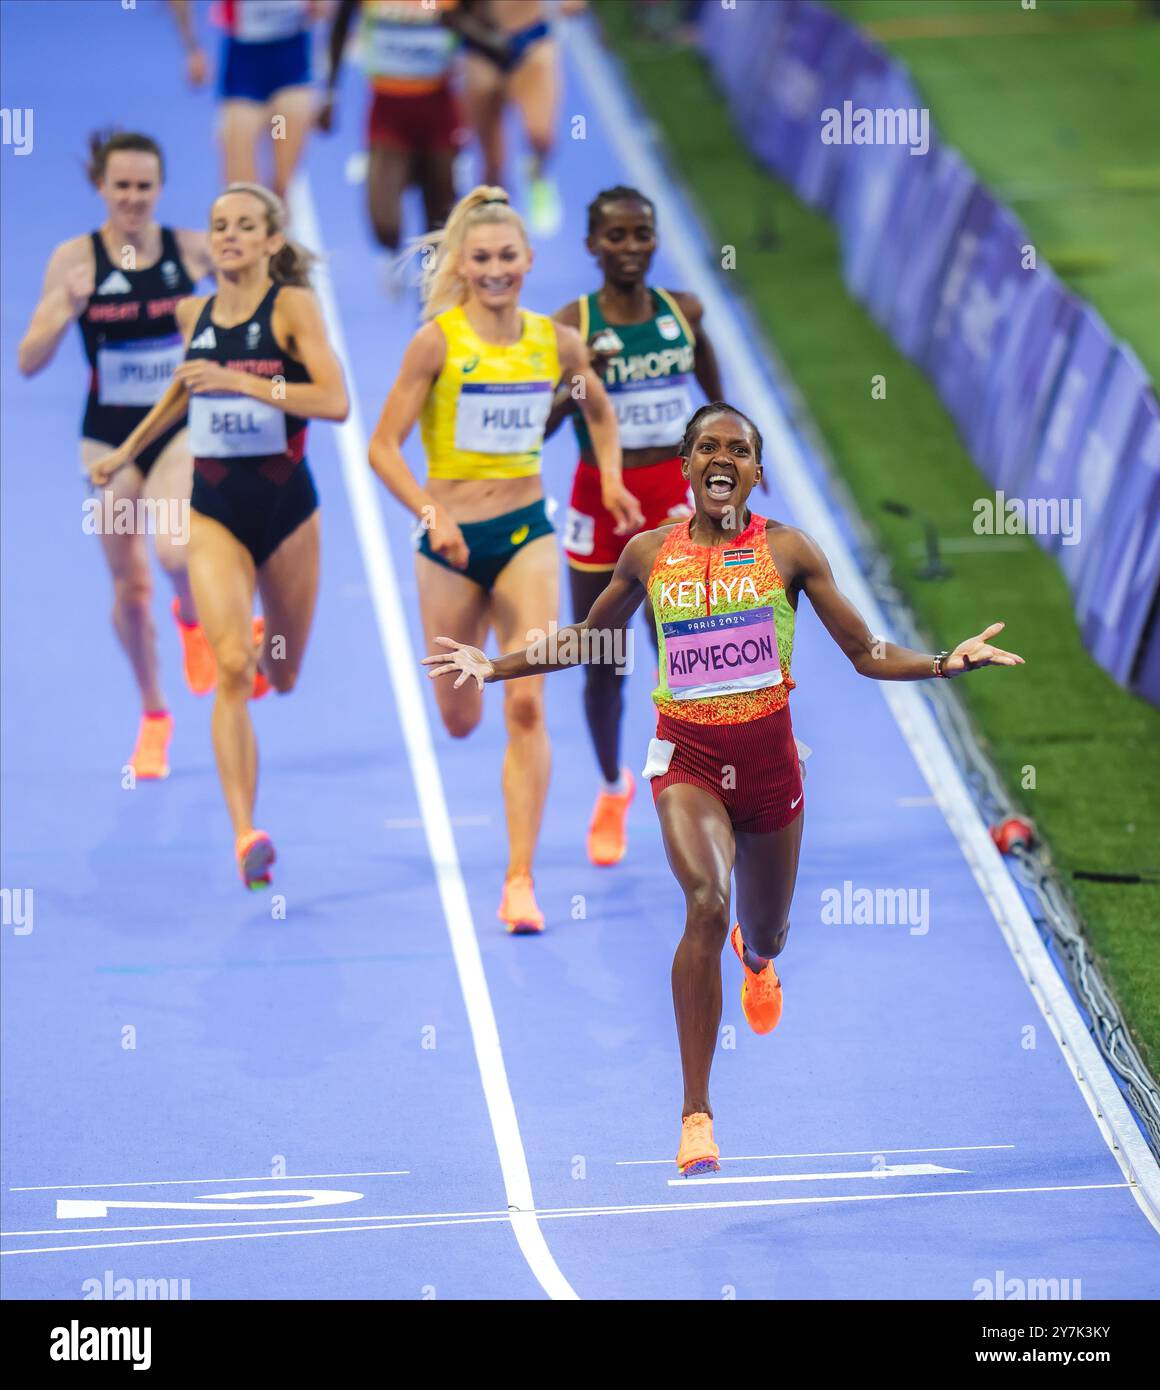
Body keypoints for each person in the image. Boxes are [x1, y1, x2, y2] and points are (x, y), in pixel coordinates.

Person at [423, 402, 1025, 1172]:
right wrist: (494, 664)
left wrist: (945, 661)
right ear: (684, 466)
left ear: (755, 471)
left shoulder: (789, 550)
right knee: (705, 902)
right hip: (688, 760)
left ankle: (759, 956)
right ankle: (697, 1113)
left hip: (772, 767)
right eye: (707, 445)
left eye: (738, 449)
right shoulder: (647, 553)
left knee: (765, 929)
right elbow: (590, 635)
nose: (722, 458)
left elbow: (863, 650)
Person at [368, 185, 642, 932]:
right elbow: (381, 447)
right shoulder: (436, 342)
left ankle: (520, 880)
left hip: (527, 534)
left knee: (526, 697)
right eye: (481, 257)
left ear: (528, 260)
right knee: (459, 719)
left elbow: (598, 411)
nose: (495, 269)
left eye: (508, 257)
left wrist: (611, 479)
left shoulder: (554, 343)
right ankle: (516, 857)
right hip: (450, 547)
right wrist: (431, 514)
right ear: (462, 262)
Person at [89, 184, 349, 889]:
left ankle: (267, 654)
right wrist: (124, 451)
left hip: (286, 509)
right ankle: (246, 834)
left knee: (282, 675)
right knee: (230, 668)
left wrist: (245, 381)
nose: (229, 236)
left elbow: (336, 401)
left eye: (244, 226)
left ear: (270, 242)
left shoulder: (293, 309)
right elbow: (182, 389)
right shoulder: (193, 311)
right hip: (215, 510)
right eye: (219, 226)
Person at [18, 131, 215, 780]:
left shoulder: (189, 251)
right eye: (121, 186)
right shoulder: (75, 260)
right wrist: (62, 310)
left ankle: (190, 617)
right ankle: (155, 713)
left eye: (144, 186)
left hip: (174, 431)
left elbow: (264, 289)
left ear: (160, 188)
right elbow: (27, 362)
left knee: (175, 550)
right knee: (129, 588)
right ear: (100, 187)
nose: (133, 198)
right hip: (107, 441)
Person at [545, 184, 725, 866]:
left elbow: (710, 376)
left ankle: (706, 783)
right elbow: (542, 424)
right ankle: (610, 788)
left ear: (654, 240)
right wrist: (583, 376)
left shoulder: (685, 311)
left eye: (640, 234)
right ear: (592, 246)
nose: (628, 248)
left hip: (672, 503)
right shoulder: (572, 325)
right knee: (601, 659)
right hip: (600, 502)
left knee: (685, 653)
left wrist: (735, 438)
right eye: (614, 237)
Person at [318, 1, 509, 286]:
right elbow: (340, 27)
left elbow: (500, 48)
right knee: (384, 224)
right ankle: (391, 254)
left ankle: (432, 304)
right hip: (387, 113)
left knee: (438, 228)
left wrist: (458, 23)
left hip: (439, 114)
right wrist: (330, 93)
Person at [459, 0, 588, 237]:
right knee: (493, 163)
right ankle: (495, 230)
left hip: (531, 38)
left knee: (541, 137)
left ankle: (537, 176)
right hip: (480, 45)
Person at [170, 0, 322, 198]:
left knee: (281, 185)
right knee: (242, 193)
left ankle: (280, 209)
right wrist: (192, 48)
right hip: (244, 70)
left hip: (291, 66)